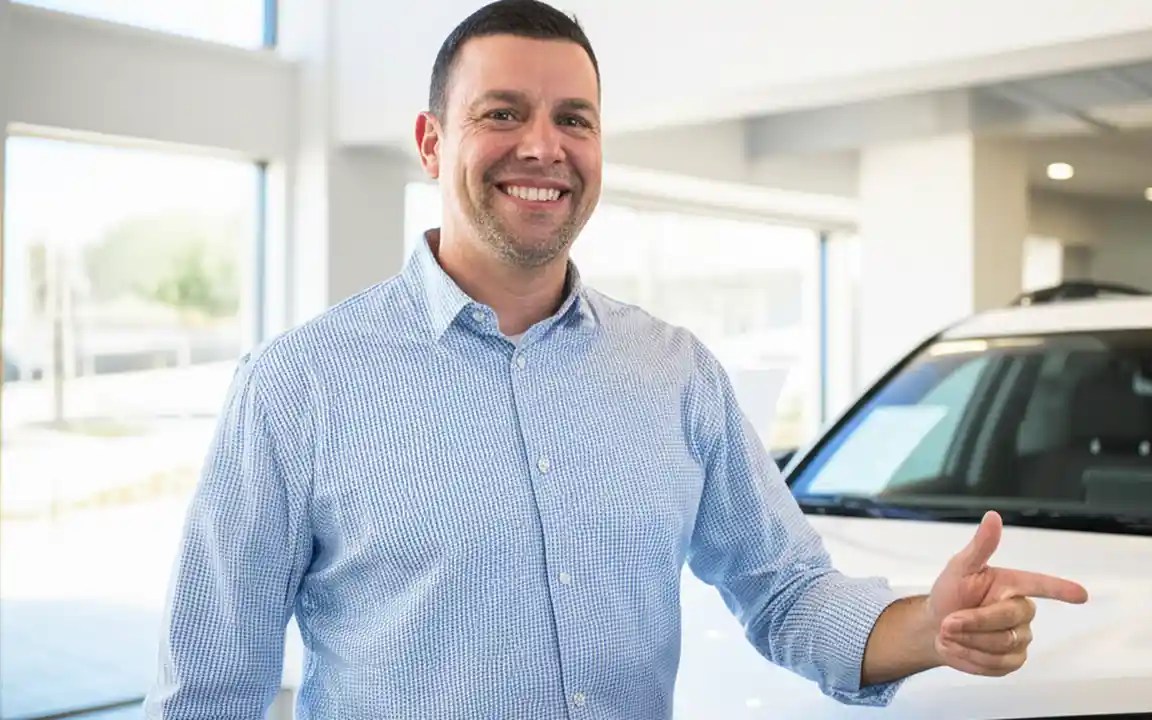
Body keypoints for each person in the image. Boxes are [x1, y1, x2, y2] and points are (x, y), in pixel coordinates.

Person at [145, 1, 1089, 717]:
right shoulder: (298, 386)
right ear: (433, 141)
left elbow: (787, 592)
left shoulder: (672, 373)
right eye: (503, 113)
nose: (543, 147)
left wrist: (932, 626)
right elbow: (209, 685)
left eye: (575, 119)